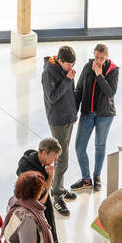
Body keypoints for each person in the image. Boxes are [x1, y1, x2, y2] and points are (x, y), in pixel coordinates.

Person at [16, 137, 63, 243]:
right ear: (43, 153)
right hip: (36, 216)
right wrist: (50, 177)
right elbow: (40, 200)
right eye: (54, 156)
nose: (55, 160)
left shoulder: (35, 161)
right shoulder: (31, 171)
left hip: (43, 214)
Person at [71, 43, 119, 192]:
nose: (98, 60)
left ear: (107, 57)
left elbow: (110, 92)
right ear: (94, 54)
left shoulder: (113, 70)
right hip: (87, 114)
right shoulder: (87, 67)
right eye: (97, 57)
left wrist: (99, 75)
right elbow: (79, 89)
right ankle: (86, 179)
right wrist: (74, 111)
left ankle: (97, 176)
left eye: (102, 58)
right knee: (79, 147)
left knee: (100, 145)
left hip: (105, 115)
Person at [40, 45, 80, 215]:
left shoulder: (65, 70)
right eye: (68, 64)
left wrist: (73, 113)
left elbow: (70, 93)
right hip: (58, 121)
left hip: (68, 118)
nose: (71, 68)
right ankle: (56, 195)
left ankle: (59, 187)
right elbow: (53, 97)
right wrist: (68, 79)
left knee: (63, 156)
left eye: (72, 65)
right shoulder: (48, 72)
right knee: (61, 159)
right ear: (60, 60)